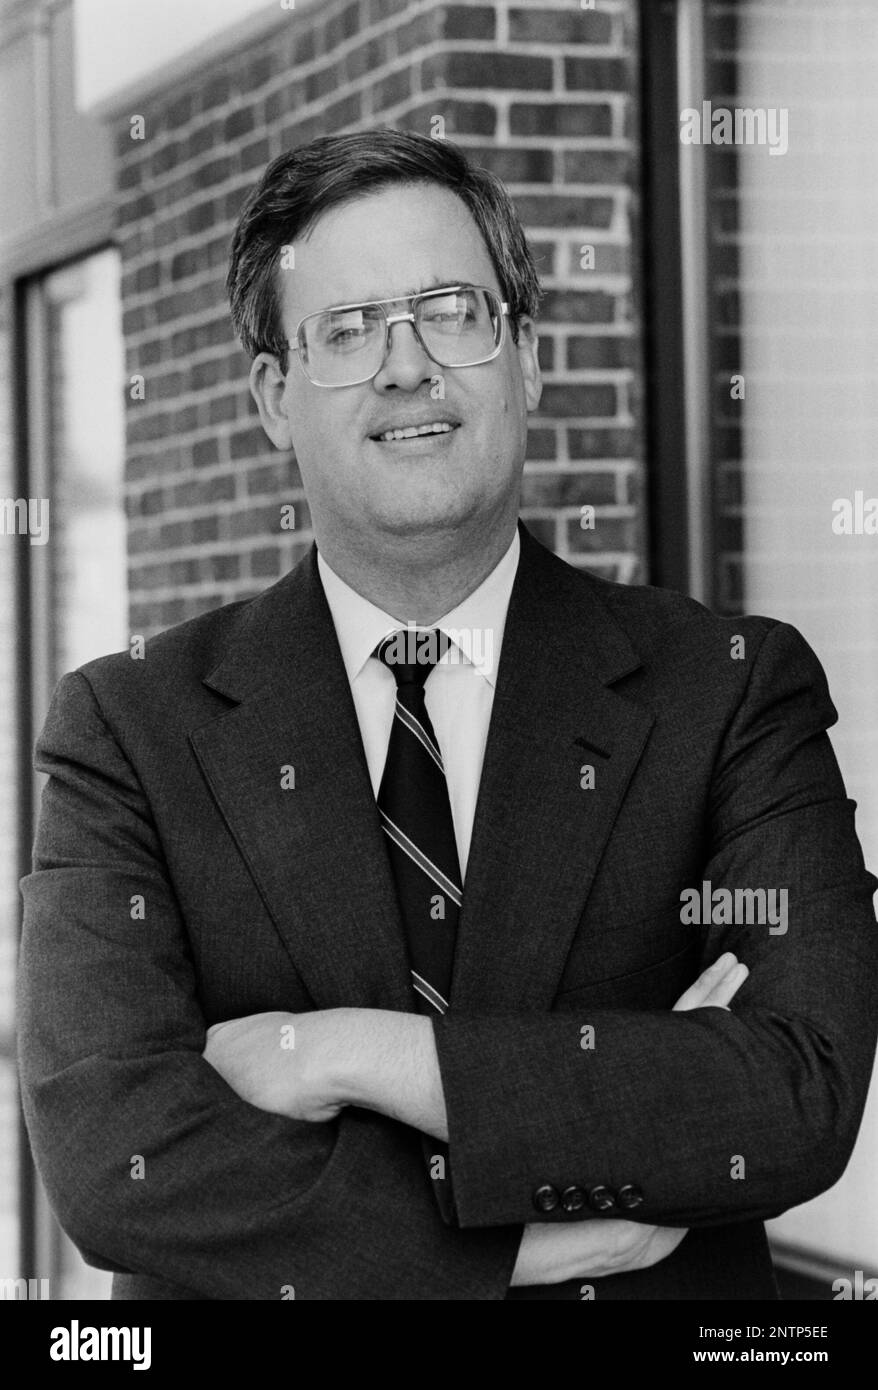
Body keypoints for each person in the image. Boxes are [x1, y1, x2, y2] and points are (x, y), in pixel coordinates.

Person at [18, 130, 878, 1301]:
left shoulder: (726, 686)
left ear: (522, 356)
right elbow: (118, 1161)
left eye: (449, 310)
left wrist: (337, 1052)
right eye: (348, 328)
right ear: (274, 397)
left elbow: (795, 1090)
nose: (405, 363)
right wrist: (516, 1238)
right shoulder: (128, 727)